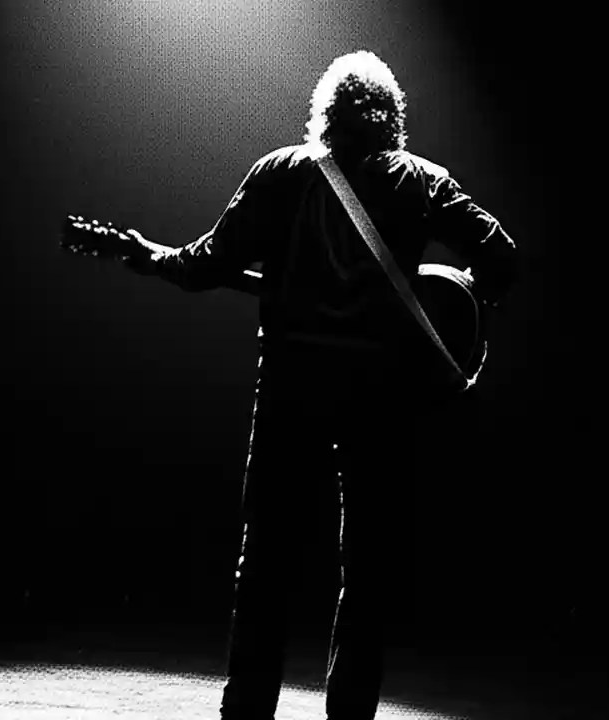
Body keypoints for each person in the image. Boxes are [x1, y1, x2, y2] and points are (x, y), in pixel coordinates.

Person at [117, 50, 518, 720]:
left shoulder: (280, 173)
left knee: (266, 563)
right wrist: (458, 300)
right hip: (379, 403)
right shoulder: (424, 181)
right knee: (368, 572)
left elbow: (207, 264)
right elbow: (500, 259)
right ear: (393, 119)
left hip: (291, 392)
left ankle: (246, 712)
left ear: (324, 114)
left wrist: (149, 256)